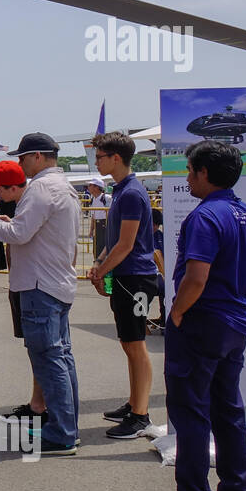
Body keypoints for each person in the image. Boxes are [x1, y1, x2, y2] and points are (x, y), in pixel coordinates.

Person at [145, 140, 246, 491]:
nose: (187, 178)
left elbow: (196, 275)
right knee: (228, 410)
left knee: (191, 411)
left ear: (203, 173)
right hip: (234, 322)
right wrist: (234, 299)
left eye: (189, 170)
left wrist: (179, 311)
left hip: (201, 324)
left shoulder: (204, 217)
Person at [0, 132, 81, 455]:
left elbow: (19, 234)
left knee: (49, 360)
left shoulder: (40, 188)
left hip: (38, 285)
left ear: (37, 156)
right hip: (58, 282)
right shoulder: (66, 187)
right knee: (61, 358)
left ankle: (61, 433)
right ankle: (67, 426)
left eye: (23, 158)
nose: (21, 164)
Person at [88, 132, 159, 440]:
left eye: (100, 156)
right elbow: (115, 241)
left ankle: (141, 415)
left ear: (116, 158)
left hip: (137, 277)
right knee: (129, 343)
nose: (97, 161)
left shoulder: (131, 193)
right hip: (127, 276)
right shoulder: (123, 190)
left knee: (135, 344)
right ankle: (135, 403)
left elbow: (126, 245)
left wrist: (101, 269)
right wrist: (100, 264)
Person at [0, 161, 45, 421]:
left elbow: (18, 235)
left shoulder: (32, 200)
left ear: (12, 187)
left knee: (42, 349)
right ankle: (38, 403)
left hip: (35, 284)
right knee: (35, 347)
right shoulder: (19, 201)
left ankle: (44, 409)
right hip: (22, 280)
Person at [86, 176, 111, 258]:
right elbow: (93, 216)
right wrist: (91, 230)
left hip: (105, 225)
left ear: (96, 187)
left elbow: (110, 213)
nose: (88, 187)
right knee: (96, 248)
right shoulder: (93, 199)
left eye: (90, 185)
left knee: (103, 247)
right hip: (97, 225)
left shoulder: (106, 198)